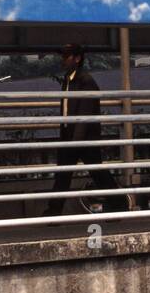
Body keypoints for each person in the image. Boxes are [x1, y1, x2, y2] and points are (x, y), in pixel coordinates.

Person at [43, 44, 124, 217]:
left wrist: (76, 140)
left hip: (83, 137)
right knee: (64, 175)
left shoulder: (85, 81)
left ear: (77, 58)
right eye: (63, 56)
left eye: (67, 56)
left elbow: (85, 112)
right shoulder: (68, 79)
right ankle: (54, 211)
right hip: (70, 135)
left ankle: (120, 204)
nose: (63, 60)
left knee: (97, 173)